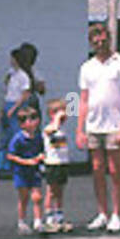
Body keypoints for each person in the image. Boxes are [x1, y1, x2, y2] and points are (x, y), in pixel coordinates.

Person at [76, 22, 120, 233]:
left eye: (103, 40)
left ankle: (117, 214)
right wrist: (79, 129)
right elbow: (83, 100)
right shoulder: (87, 67)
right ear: (91, 43)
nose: (100, 44)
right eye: (96, 41)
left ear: (109, 39)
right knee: (97, 169)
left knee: (115, 170)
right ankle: (102, 213)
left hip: (114, 124)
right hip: (93, 124)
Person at [0, 43, 43, 173]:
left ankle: (28, 162)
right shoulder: (12, 74)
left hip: (24, 103)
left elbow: (31, 91)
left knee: (23, 133)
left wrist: (15, 108)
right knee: (6, 135)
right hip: (10, 102)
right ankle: (5, 165)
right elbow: (7, 90)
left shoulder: (29, 74)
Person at [5, 107, 45, 235]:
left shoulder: (38, 137)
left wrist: (40, 157)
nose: (34, 122)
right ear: (22, 124)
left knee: (37, 197)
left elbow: (42, 150)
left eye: (35, 118)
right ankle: (22, 222)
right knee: (24, 197)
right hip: (21, 172)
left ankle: (38, 221)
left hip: (34, 171)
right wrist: (25, 161)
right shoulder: (18, 138)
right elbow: (10, 155)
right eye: (31, 119)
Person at [41, 98, 73, 232]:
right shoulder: (49, 128)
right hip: (52, 164)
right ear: (52, 114)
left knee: (60, 190)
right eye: (60, 113)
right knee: (51, 191)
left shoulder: (62, 130)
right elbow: (51, 130)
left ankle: (59, 216)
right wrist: (56, 120)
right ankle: (49, 218)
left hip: (62, 163)